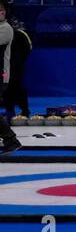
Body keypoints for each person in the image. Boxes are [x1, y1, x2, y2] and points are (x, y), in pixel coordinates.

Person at [1, 10, 31, 141]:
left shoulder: (20, 34)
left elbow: (27, 48)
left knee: (18, 87)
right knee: (6, 88)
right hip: (5, 66)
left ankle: (25, 111)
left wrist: (19, 61)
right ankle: (10, 111)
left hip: (16, 66)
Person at [0, 2, 18, 155]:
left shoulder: (6, 29)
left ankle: (11, 140)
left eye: (2, 9)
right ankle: (10, 139)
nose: (1, 12)